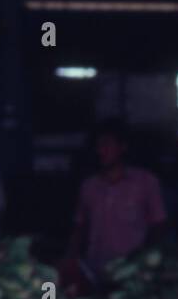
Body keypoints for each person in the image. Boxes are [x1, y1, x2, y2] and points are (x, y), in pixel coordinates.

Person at [65, 119, 167, 286]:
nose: (101, 151)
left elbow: (159, 225)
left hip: (133, 274)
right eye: (98, 146)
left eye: (107, 145)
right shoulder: (89, 186)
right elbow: (80, 227)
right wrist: (70, 258)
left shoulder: (146, 182)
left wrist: (143, 259)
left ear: (122, 147)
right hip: (95, 273)